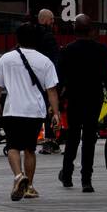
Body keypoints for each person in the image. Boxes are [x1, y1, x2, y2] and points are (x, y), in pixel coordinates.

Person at [0, 23, 61, 202]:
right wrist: (56, 113)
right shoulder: (45, 61)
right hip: (35, 111)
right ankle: (29, 187)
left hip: (13, 109)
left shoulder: (6, 59)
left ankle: (18, 176)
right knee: (30, 149)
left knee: (13, 147)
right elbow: (52, 90)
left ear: (18, 38)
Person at [56, 14, 107, 193]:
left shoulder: (67, 51)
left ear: (75, 30)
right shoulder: (101, 50)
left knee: (73, 137)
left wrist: (57, 102)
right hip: (94, 98)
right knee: (89, 138)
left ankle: (67, 175)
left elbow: (60, 80)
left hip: (75, 98)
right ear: (92, 30)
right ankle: (86, 179)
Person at [36, 8, 62, 153]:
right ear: (46, 20)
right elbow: (54, 59)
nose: (53, 22)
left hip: (32, 79)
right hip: (46, 78)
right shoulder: (49, 37)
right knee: (50, 108)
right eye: (51, 19)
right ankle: (50, 140)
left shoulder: (32, 34)